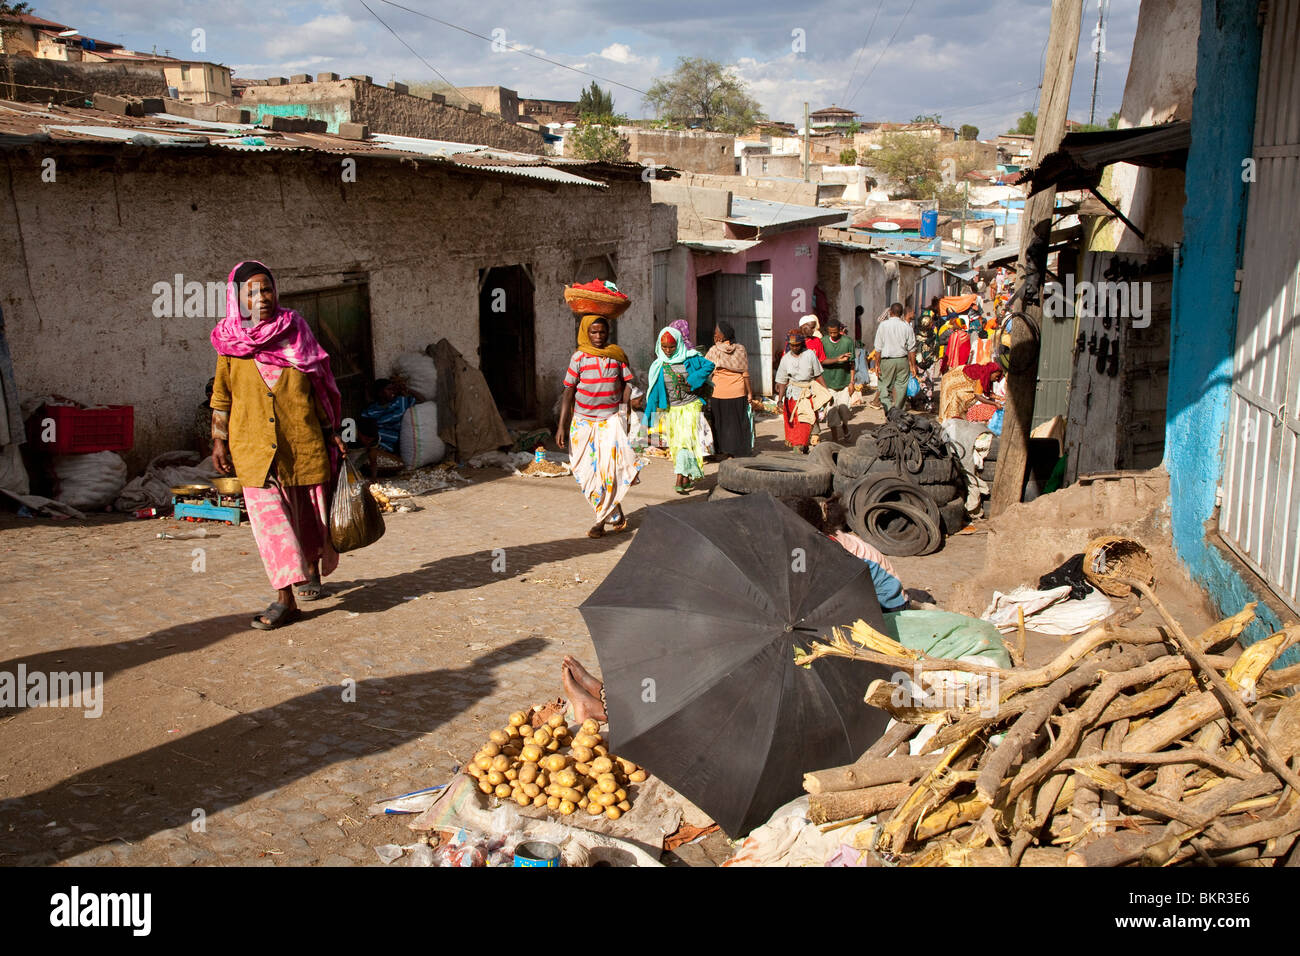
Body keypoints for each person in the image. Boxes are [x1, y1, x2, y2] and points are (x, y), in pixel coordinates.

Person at [210, 260, 347, 630]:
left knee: (308, 514)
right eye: (251, 291)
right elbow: (222, 395)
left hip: (302, 440)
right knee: (271, 524)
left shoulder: (297, 332)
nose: (262, 298)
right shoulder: (228, 341)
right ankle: (285, 599)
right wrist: (219, 440)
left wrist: (331, 429)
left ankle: (312, 568)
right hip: (253, 446)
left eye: (266, 289)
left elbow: (320, 387)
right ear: (236, 298)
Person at [556, 314, 641, 538]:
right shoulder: (578, 358)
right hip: (582, 422)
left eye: (602, 332)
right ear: (586, 332)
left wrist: (624, 413)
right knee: (586, 473)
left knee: (606, 473)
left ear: (608, 333)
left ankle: (600, 522)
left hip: (609, 421)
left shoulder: (616, 356)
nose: (598, 336)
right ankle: (616, 513)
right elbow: (568, 392)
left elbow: (628, 384)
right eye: (593, 332)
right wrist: (561, 426)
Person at [778, 495, 908, 612]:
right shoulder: (812, 538)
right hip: (860, 588)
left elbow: (832, 593)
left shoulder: (833, 550)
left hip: (887, 604)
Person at [646, 326, 714, 494]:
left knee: (684, 441)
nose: (668, 350)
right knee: (679, 445)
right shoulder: (658, 366)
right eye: (664, 347)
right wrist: (647, 419)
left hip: (690, 407)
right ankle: (686, 477)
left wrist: (694, 378)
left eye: (672, 346)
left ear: (678, 344)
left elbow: (709, 365)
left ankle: (679, 477)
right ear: (659, 346)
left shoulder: (690, 358)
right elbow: (653, 394)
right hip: (672, 411)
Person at [704, 321, 756, 459]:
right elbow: (745, 373)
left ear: (723, 335)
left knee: (721, 423)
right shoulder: (740, 349)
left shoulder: (714, 351)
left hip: (719, 392)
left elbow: (705, 371)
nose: (714, 334)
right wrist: (749, 392)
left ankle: (722, 451)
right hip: (738, 392)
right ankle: (739, 451)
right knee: (737, 422)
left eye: (716, 332)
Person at [774, 332, 826, 453]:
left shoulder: (810, 355)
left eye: (797, 345)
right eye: (792, 345)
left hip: (807, 394)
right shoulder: (786, 358)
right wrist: (780, 400)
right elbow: (782, 381)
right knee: (795, 424)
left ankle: (800, 447)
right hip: (792, 395)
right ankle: (800, 447)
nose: (795, 348)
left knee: (805, 422)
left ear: (802, 343)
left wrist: (825, 391)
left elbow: (818, 375)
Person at [873, 302, 918, 414]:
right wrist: (913, 366)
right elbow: (912, 349)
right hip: (903, 361)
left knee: (884, 387)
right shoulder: (907, 327)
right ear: (901, 313)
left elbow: (878, 349)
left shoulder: (883, 326)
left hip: (887, 361)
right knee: (901, 388)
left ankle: (889, 410)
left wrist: (877, 365)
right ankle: (898, 412)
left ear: (890, 312)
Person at [819, 318, 858, 443]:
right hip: (828, 383)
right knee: (831, 413)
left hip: (844, 383)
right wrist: (837, 359)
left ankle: (845, 426)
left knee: (844, 411)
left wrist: (852, 382)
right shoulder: (823, 342)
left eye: (835, 332)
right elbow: (820, 361)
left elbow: (852, 364)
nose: (833, 335)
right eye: (830, 333)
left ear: (840, 330)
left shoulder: (848, 342)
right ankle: (835, 439)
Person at [938, 360, 1004, 423]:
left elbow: (986, 391)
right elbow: (978, 396)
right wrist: (995, 404)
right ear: (990, 373)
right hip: (951, 384)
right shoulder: (981, 376)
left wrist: (998, 397)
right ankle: (948, 427)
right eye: (996, 376)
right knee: (952, 409)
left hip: (952, 378)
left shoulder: (985, 373)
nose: (996, 379)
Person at [361, 378, 415, 453]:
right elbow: (368, 427)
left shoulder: (400, 402)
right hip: (382, 442)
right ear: (380, 393)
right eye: (389, 389)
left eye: (393, 389)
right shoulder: (371, 410)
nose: (392, 391)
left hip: (401, 439)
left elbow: (417, 401)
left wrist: (405, 389)